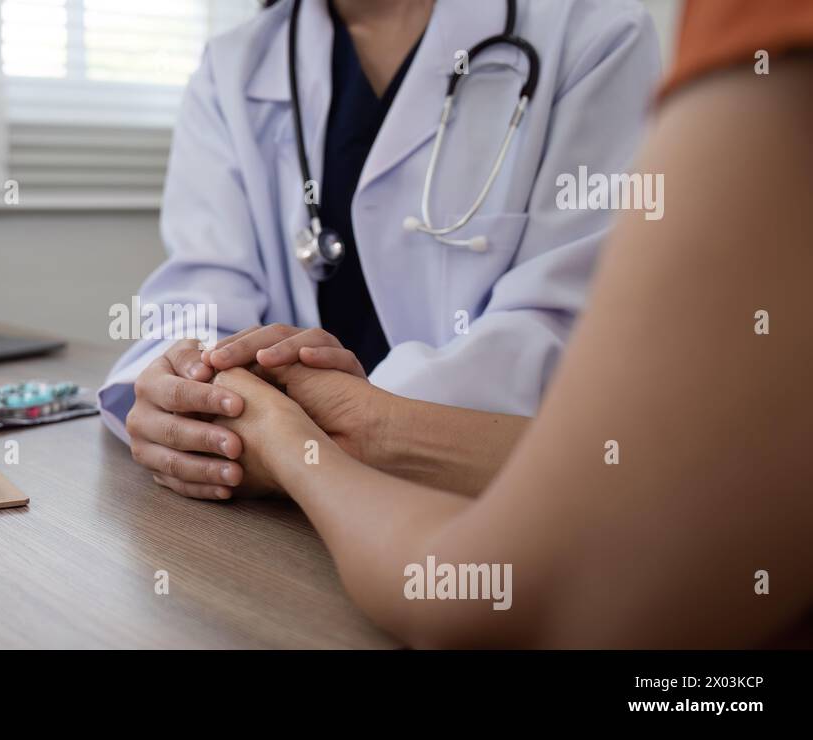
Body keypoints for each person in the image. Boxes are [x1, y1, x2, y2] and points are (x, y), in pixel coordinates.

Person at [207, 0, 813, 647]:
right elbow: (193, 293)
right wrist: (197, 383)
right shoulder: (235, 61)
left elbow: (516, 597)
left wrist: (293, 438)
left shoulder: (628, 25)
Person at [98, 0, 661, 500]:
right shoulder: (234, 64)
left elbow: (562, 326)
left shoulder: (596, 35)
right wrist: (181, 390)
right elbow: (199, 295)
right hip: (271, 511)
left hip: (491, 506)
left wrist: (347, 426)